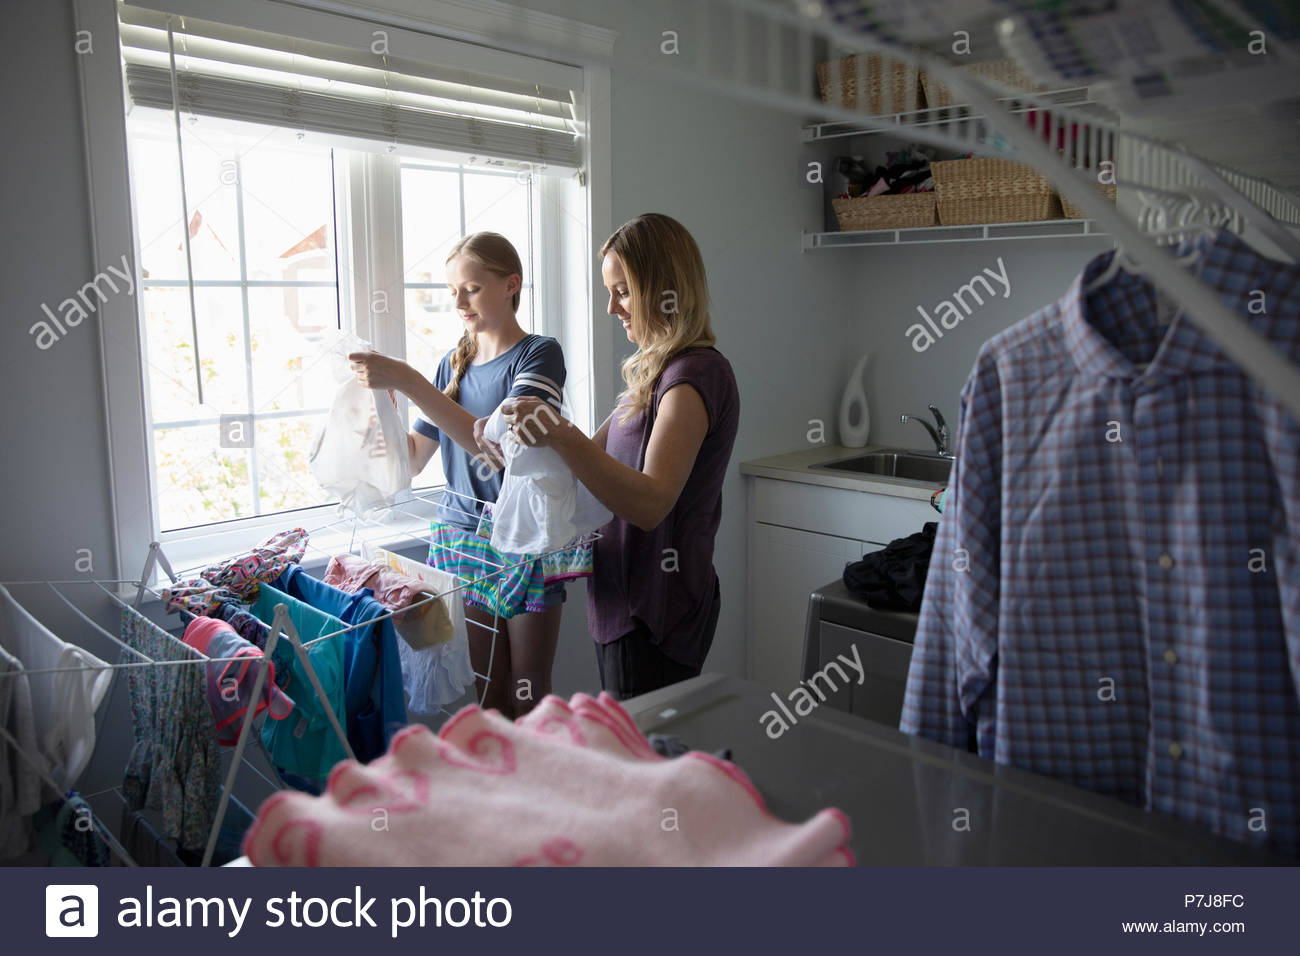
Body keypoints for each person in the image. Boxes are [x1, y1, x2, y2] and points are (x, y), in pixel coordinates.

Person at [482, 213, 740, 700]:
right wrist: (512, 439)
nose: (611, 307)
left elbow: (650, 504)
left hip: (656, 609)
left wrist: (559, 432)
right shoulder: (650, 377)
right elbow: (583, 463)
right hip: (623, 599)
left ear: (663, 287)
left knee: (641, 758)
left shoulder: (690, 379)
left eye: (622, 291)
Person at [348, 232, 570, 718]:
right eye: (452, 292)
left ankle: (541, 786)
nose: (459, 302)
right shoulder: (451, 364)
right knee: (490, 691)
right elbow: (411, 460)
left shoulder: (539, 354)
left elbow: (495, 450)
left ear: (511, 284)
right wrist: (375, 426)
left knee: (530, 691)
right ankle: (496, 790)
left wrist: (407, 381)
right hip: (462, 535)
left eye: (470, 287)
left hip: (523, 538)